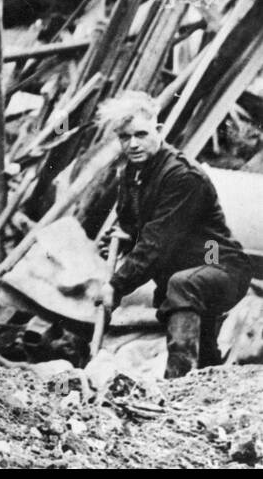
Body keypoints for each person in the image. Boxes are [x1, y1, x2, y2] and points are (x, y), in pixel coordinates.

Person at [91, 92, 252, 378]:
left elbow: (157, 241)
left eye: (141, 134)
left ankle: (176, 382)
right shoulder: (133, 172)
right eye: (125, 137)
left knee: (181, 286)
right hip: (185, 271)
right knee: (203, 346)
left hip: (218, 261)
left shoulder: (182, 176)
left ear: (158, 129)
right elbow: (131, 222)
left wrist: (117, 285)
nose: (133, 144)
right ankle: (204, 382)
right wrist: (123, 237)